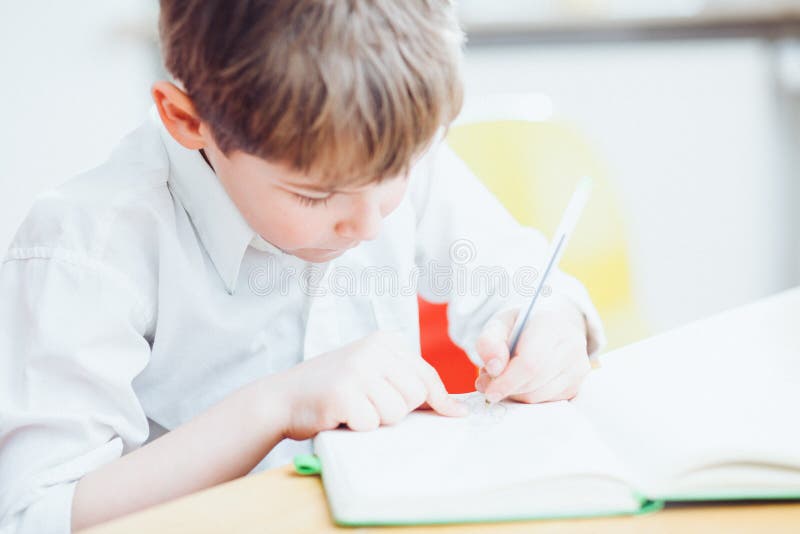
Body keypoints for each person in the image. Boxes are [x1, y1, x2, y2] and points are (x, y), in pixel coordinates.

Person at [0, 1, 605, 532]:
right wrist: (278, 407)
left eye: (398, 177)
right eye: (315, 196)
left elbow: (521, 281)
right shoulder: (86, 249)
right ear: (188, 121)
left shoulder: (379, 155)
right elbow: (38, 515)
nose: (370, 224)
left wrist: (551, 322)